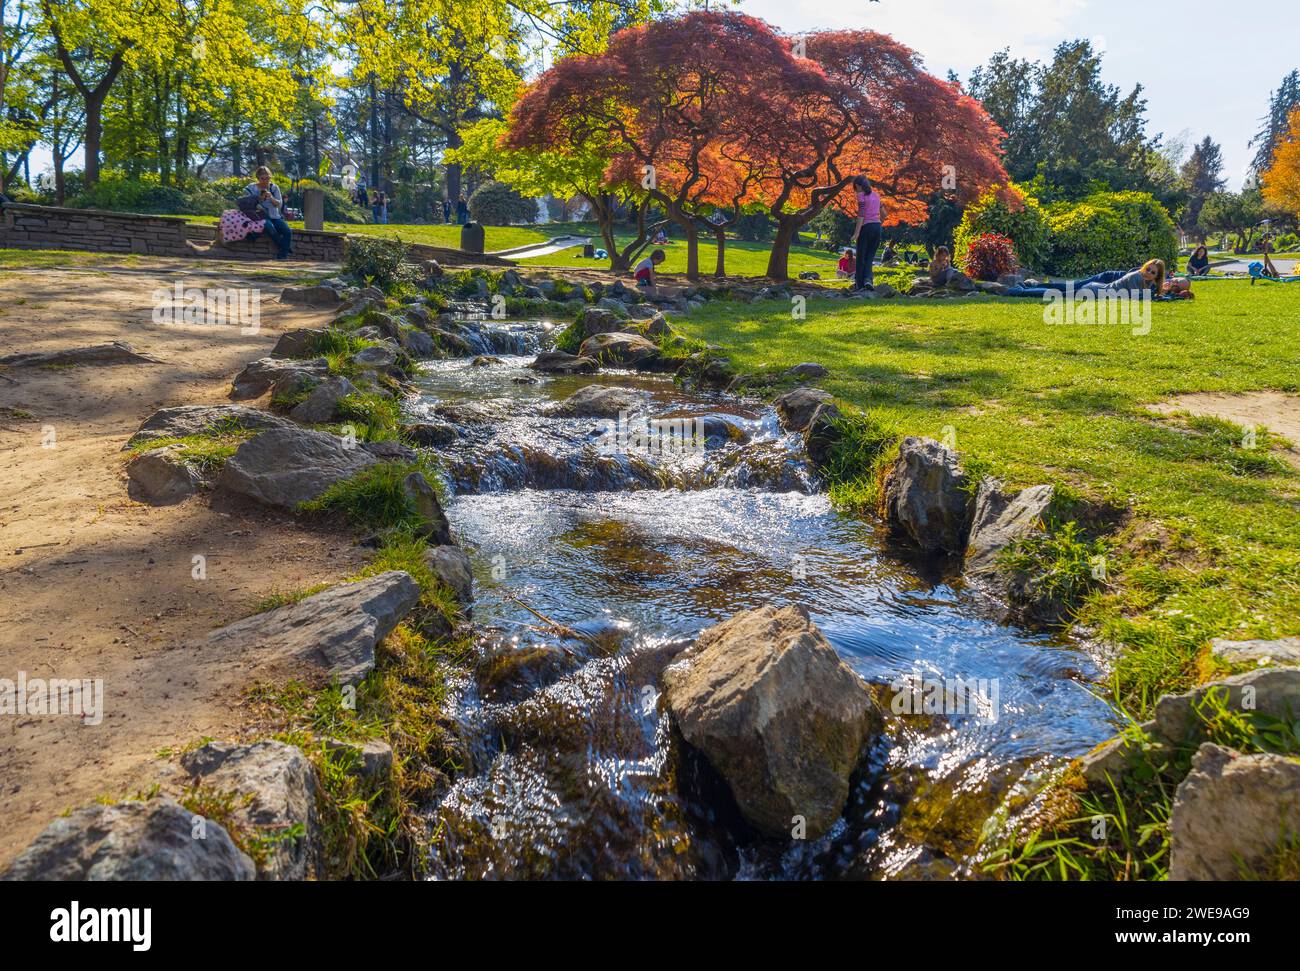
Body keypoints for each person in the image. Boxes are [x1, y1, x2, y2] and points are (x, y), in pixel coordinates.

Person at [1004, 259, 1166, 298]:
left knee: (1058, 292)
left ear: (1157, 276)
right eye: (1148, 269)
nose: (1147, 273)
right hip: (1095, 290)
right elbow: (1138, 297)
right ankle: (1020, 291)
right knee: (1056, 294)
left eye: (1152, 272)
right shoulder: (1137, 277)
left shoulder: (1146, 283)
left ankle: (1026, 288)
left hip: (1098, 289)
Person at [246, 166, 292, 260]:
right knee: (270, 228)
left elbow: (279, 204)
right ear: (258, 178)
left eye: (267, 178)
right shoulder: (251, 188)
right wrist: (259, 198)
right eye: (262, 178)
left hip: (275, 216)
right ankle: (285, 248)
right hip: (260, 216)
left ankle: (283, 255)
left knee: (287, 231)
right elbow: (247, 202)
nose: (265, 180)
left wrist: (271, 197)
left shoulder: (274, 188)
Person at [850, 175, 883, 291]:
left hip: (866, 228)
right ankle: (868, 280)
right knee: (869, 258)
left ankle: (859, 285)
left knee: (861, 257)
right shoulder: (876, 195)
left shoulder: (861, 196)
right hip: (877, 227)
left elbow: (861, 214)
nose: (856, 189)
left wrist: (856, 233)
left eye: (855, 187)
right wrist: (879, 223)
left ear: (859, 185)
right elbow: (884, 213)